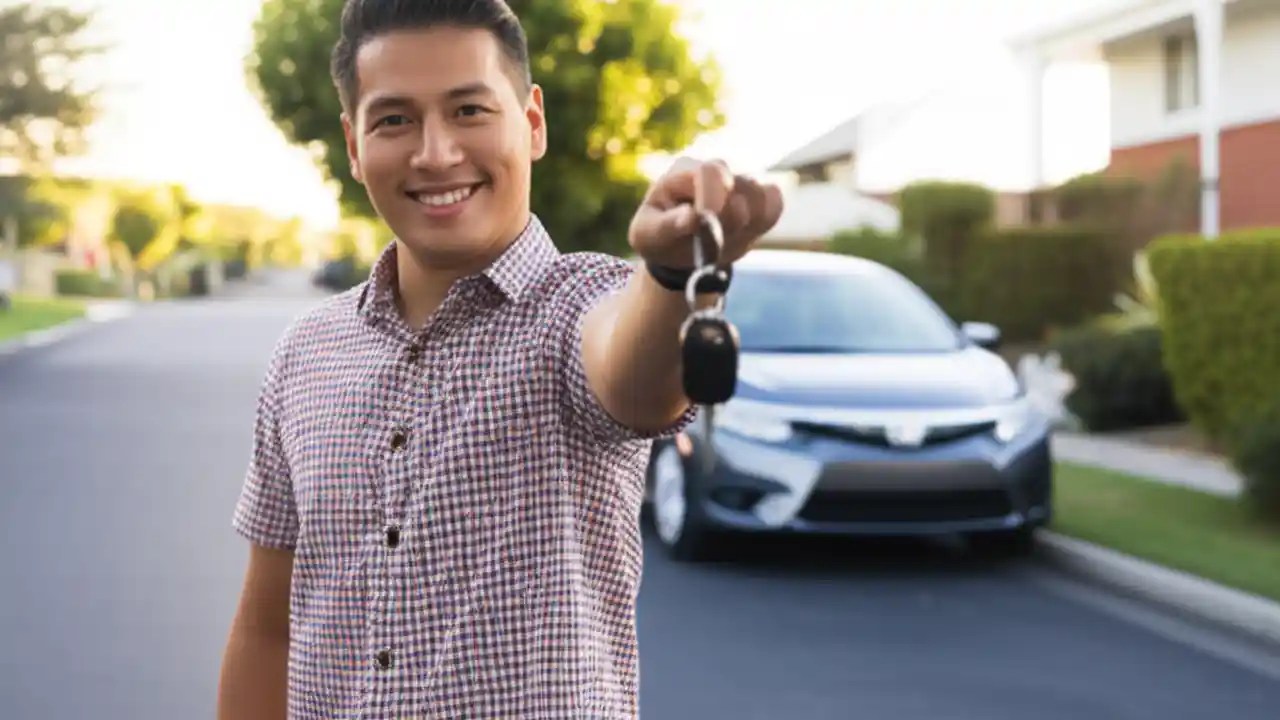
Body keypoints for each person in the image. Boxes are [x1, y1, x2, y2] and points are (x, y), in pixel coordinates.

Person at [215, 1, 782, 718]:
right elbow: (268, 630)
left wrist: (667, 276)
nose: (436, 153)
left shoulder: (581, 306)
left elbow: (632, 380)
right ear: (354, 146)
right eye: (394, 119)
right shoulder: (306, 351)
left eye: (469, 111)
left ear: (532, 122)